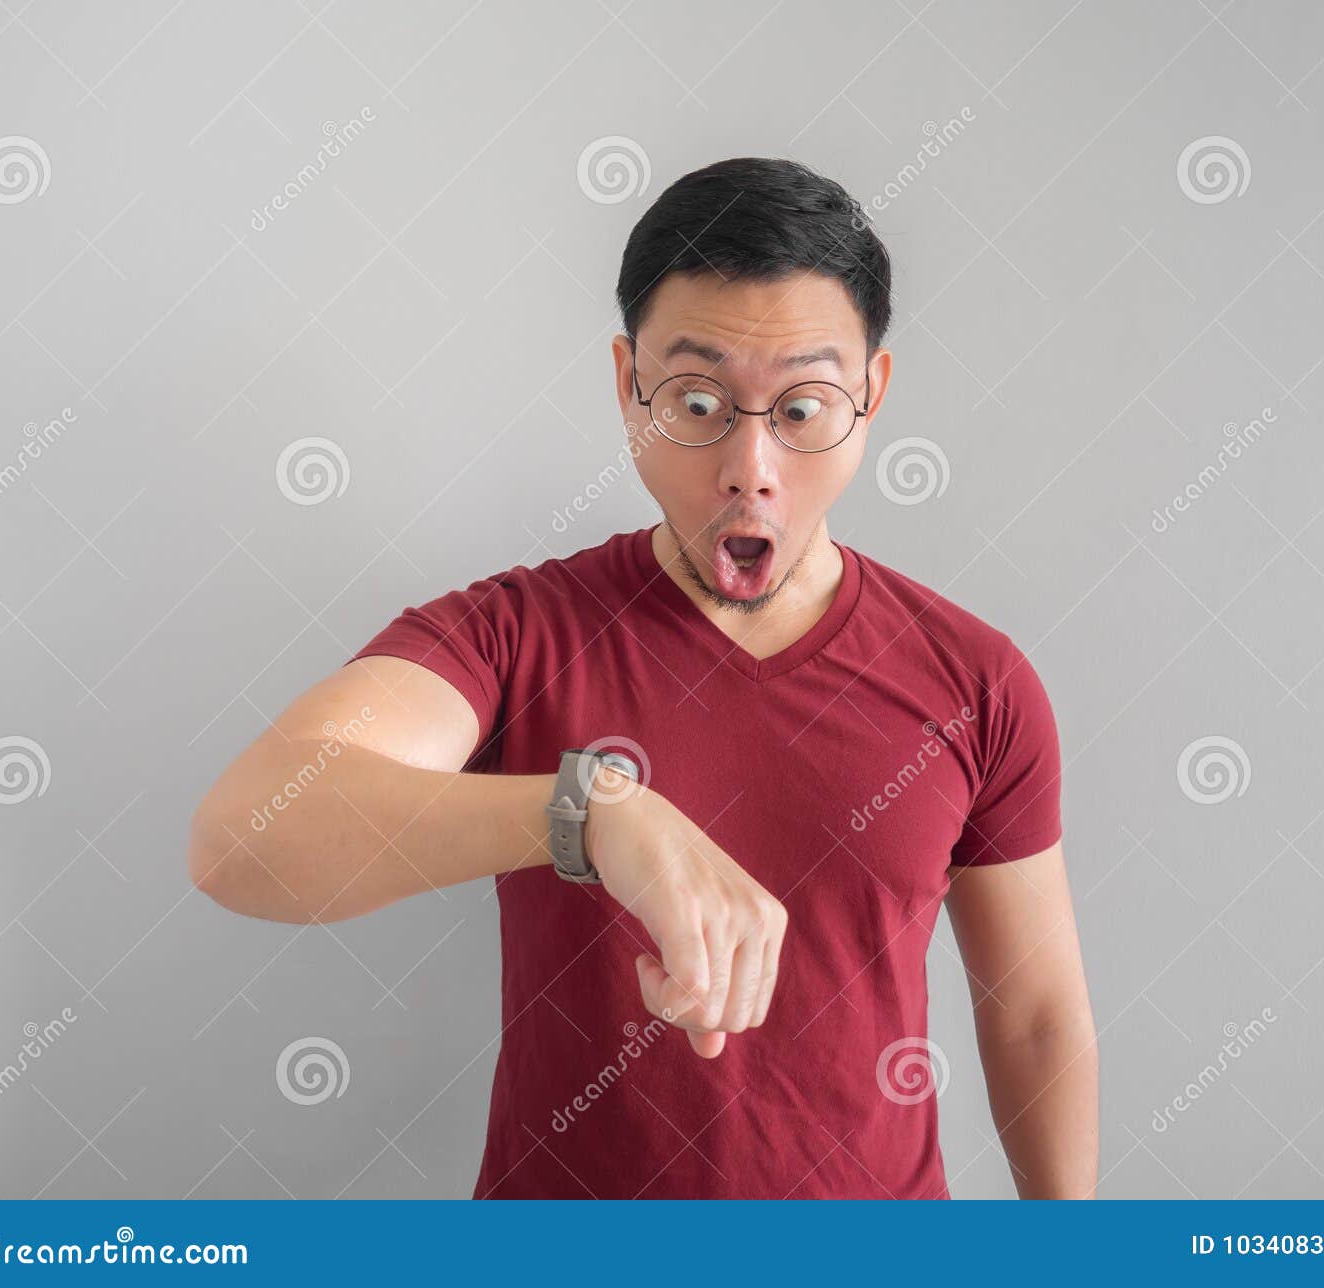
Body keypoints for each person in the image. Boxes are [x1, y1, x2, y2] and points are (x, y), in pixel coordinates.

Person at [188, 157, 1098, 1199]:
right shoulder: (513, 636)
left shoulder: (976, 680)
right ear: (628, 386)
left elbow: (1033, 1016)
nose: (749, 466)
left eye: (801, 409)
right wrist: (590, 814)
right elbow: (242, 840)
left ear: (870, 397)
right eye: (698, 398)